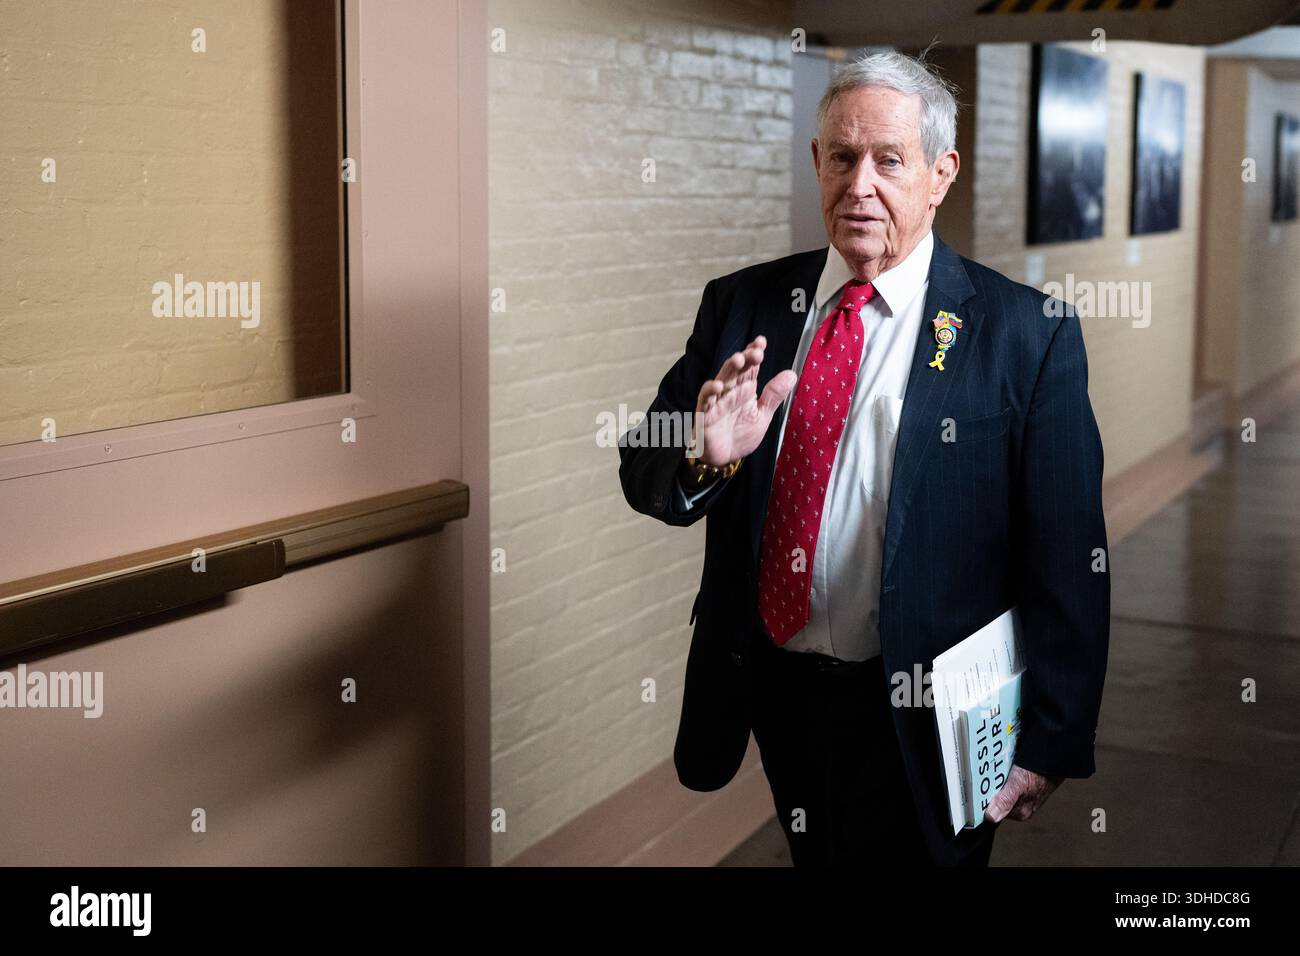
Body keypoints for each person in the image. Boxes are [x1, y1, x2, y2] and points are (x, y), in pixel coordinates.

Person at [617, 50, 1109, 866]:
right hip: (776, 685)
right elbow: (645, 464)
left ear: (940, 173)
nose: (860, 185)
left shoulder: (1026, 333)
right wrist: (703, 458)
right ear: (817, 162)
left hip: (931, 706)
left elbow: (1067, 554)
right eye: (841, 158)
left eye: (889, 160)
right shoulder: (744, 304)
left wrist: (1052, 733)